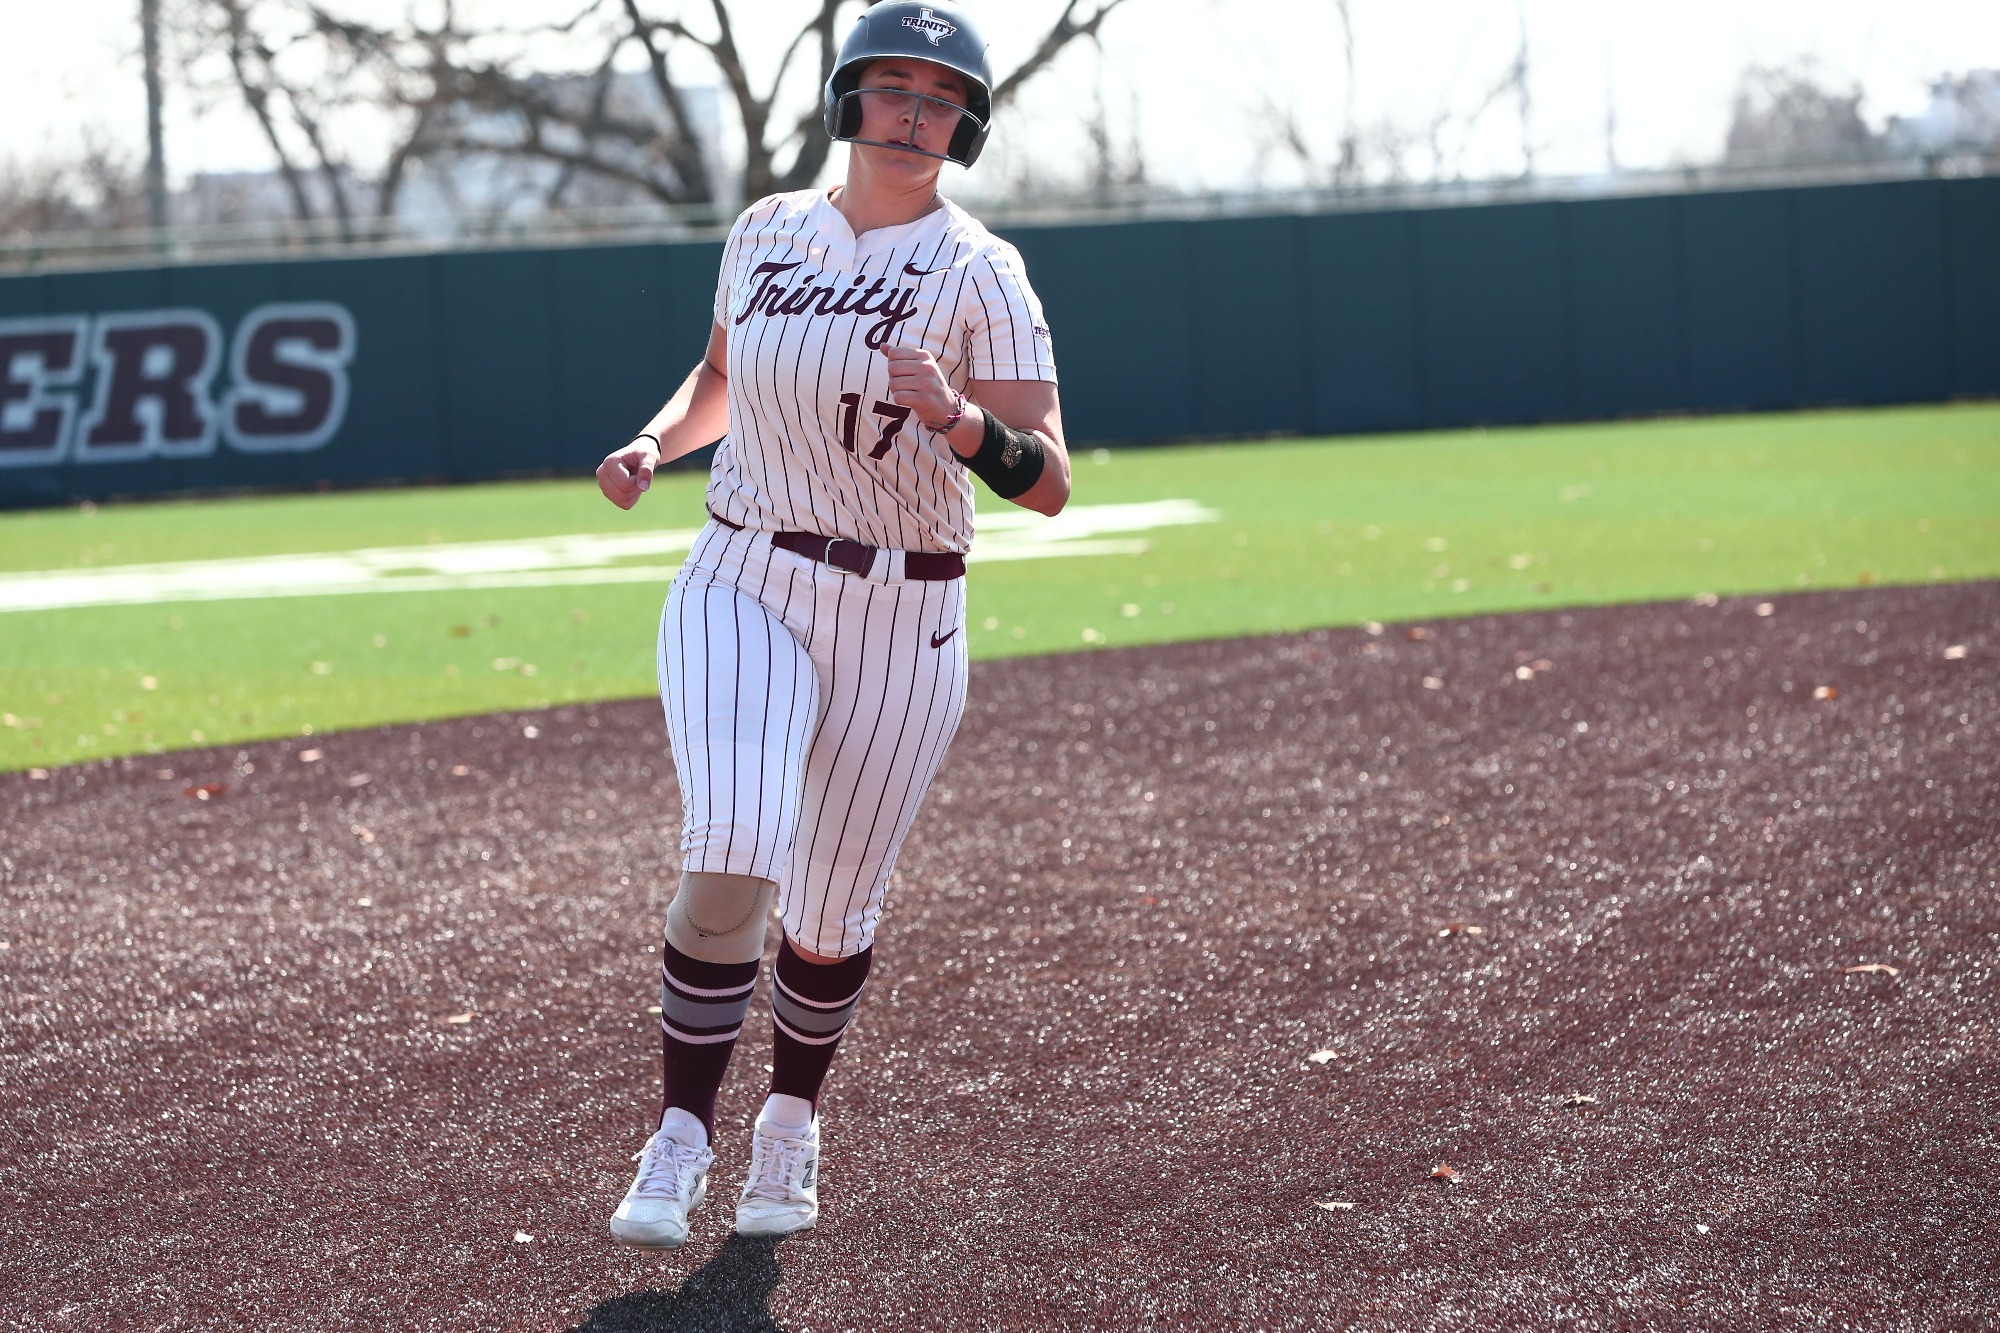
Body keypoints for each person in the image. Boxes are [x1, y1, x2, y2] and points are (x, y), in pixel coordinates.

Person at [594, 0, 1069, 1248]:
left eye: (938, 98)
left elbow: (1048, 479)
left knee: (832, 908)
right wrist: (656, 439)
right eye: (890, 89)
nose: (911, 115)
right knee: (735, 840)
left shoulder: (983, 272)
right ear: (847, 100)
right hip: (742, 570)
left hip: (905, 607)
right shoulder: (763, 232)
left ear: (964, 126)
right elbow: (719, 381)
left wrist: (963, 422)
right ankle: (681, 1132)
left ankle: (788, 1122)